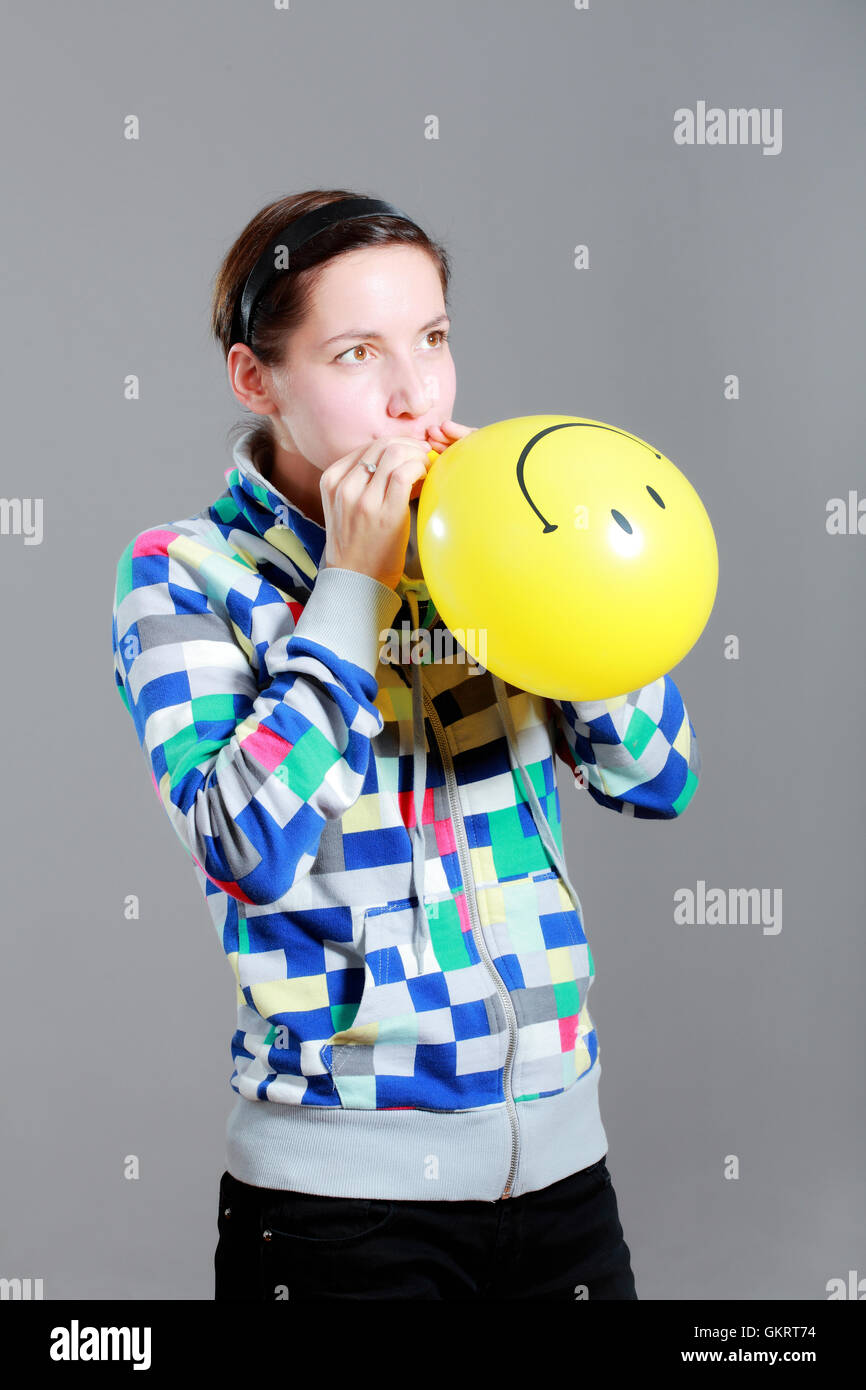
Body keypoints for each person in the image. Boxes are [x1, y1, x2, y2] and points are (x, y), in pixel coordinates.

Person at [111, 188, 702, 1301]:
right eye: (354, 354)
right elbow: (246, 845)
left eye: (431, 341)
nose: (411, 395)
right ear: (256, 379)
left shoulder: (494, 542)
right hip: (340, 1213)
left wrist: (556, 556)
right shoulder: (185, 573)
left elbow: (656, 777)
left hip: (565, 1178)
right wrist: (350, 583)